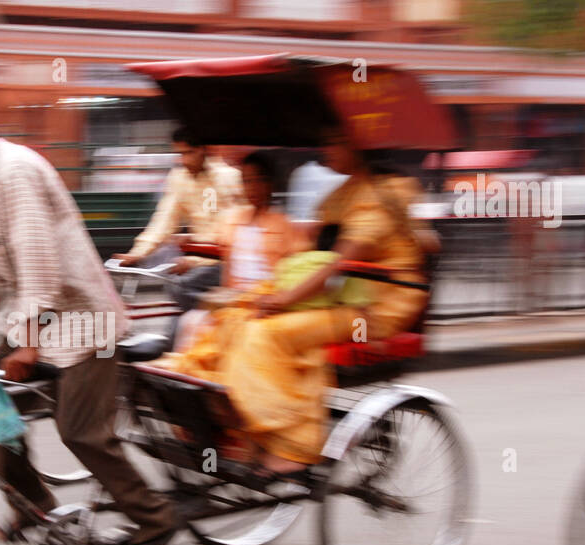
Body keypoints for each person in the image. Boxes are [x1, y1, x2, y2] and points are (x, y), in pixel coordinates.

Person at [0, 79, 184, 545]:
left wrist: (27, 344)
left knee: (80, 431)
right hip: (34, 316)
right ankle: (33, 503)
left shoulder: (16, 171)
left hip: (83, 317)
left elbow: (39, 264)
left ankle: (155, 521)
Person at [174, 127, 437, 478]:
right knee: (233, 315)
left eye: (332, 141)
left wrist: (284, 298)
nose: (323, 148)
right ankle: (236, 424)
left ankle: (292, 444)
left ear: (359, 146)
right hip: (341, 296)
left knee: (266, 335)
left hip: (373, 308)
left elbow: (336, 265)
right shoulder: (346, 191)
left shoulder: (381, 196)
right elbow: (317, 253)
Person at [170, 149, 310, 353]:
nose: (252, 188)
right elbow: (213, 246)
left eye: (259, 180)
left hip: (263, 303)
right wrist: (189, 251)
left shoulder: (285, 226)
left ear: (271, 184)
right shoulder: (233, 219)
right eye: (247, 181)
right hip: (232, 301)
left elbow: (297, 274)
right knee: (189, 321)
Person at [112, 127, 242, 333]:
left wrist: (193, 258)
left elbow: (230, 230)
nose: (184, 160)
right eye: (180, 154)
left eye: (189, 153)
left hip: (224, 260)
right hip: (197, 256)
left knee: (182, 286)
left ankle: (225, 321)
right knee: (174, 294)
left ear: (204, 150)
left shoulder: (228, 178)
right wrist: (136, 253)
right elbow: (164, 218)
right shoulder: (179, 178)